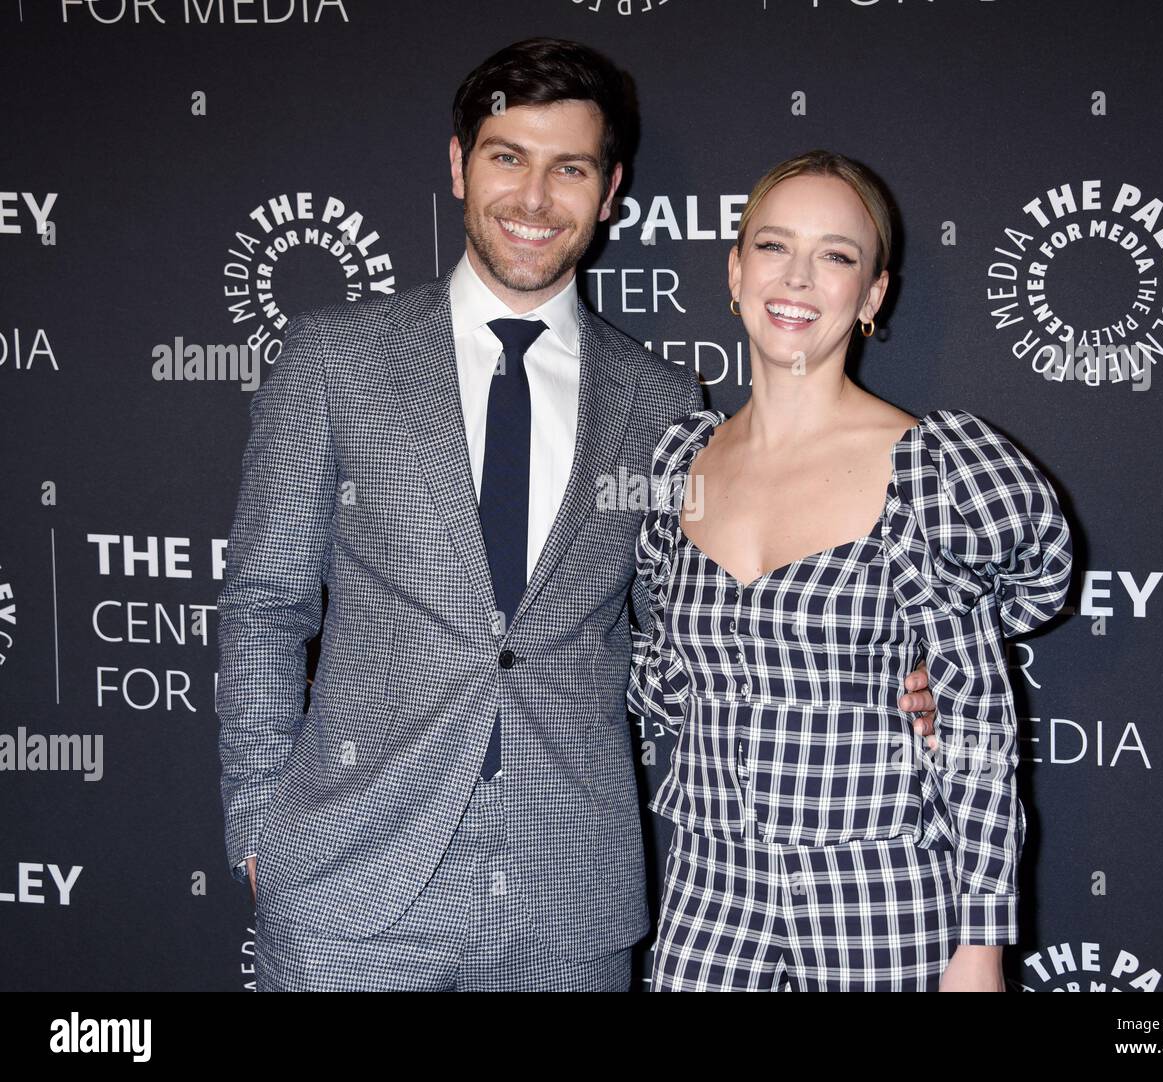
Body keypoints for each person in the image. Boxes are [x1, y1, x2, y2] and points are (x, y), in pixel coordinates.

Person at [217, 40, 943, 992]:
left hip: (569, 900)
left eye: (569, 168)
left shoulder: (662, 405)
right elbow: (265, 605)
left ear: (609, 193)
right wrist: (259, 829)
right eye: (507, 157)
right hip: (346, 894)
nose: (533, 197)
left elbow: (682, 637)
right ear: (459, 165)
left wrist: (875, 676)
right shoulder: (335, 361)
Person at [628, 150, 1074, 991]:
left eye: (835, 255)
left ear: (871, 295)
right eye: (773, 245)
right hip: (709, 888)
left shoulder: (929, 467)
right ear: (735, 270)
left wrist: (981, 944)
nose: (797, 277)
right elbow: (661, 675)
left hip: (879, 892)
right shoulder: (681, 461)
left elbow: (978, 724)